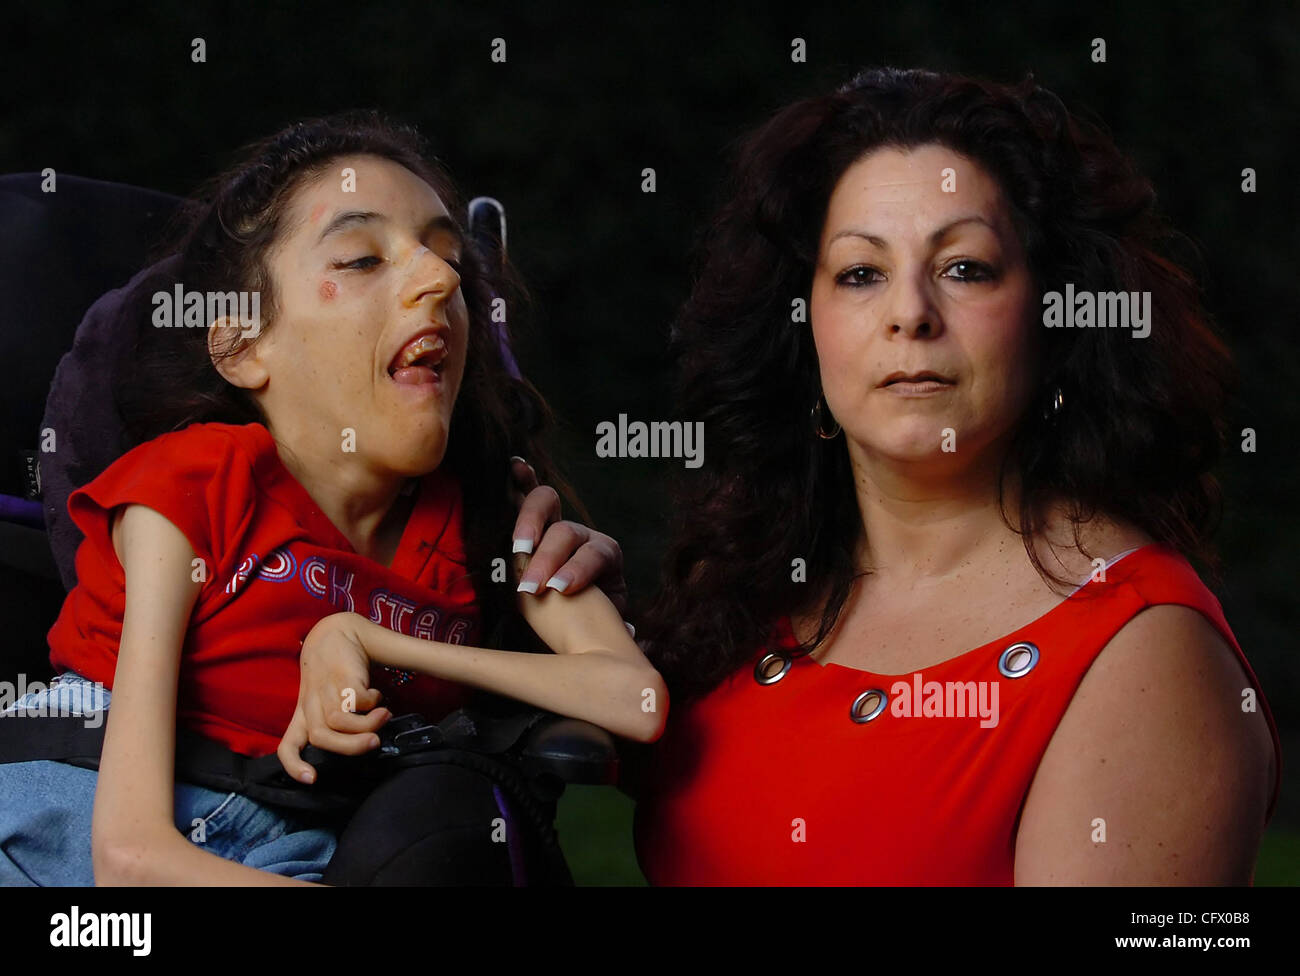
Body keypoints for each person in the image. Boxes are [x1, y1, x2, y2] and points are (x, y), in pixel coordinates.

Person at [630, 66, 1281, 885]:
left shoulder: (1143, 651)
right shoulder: (747, 596)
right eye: (861, 273)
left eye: (965, 267)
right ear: (803, 325)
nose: (910, 313)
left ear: (1056, 312)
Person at [0, 112, 661, 886]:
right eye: (359, 258)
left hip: (298, 844)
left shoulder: (484, 519)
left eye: (450, 258)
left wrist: (369, 637)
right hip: (65, 821)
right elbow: (130, 860)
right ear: (244, 347)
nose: (442, 281)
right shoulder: (192, 483)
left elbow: (637, 700)